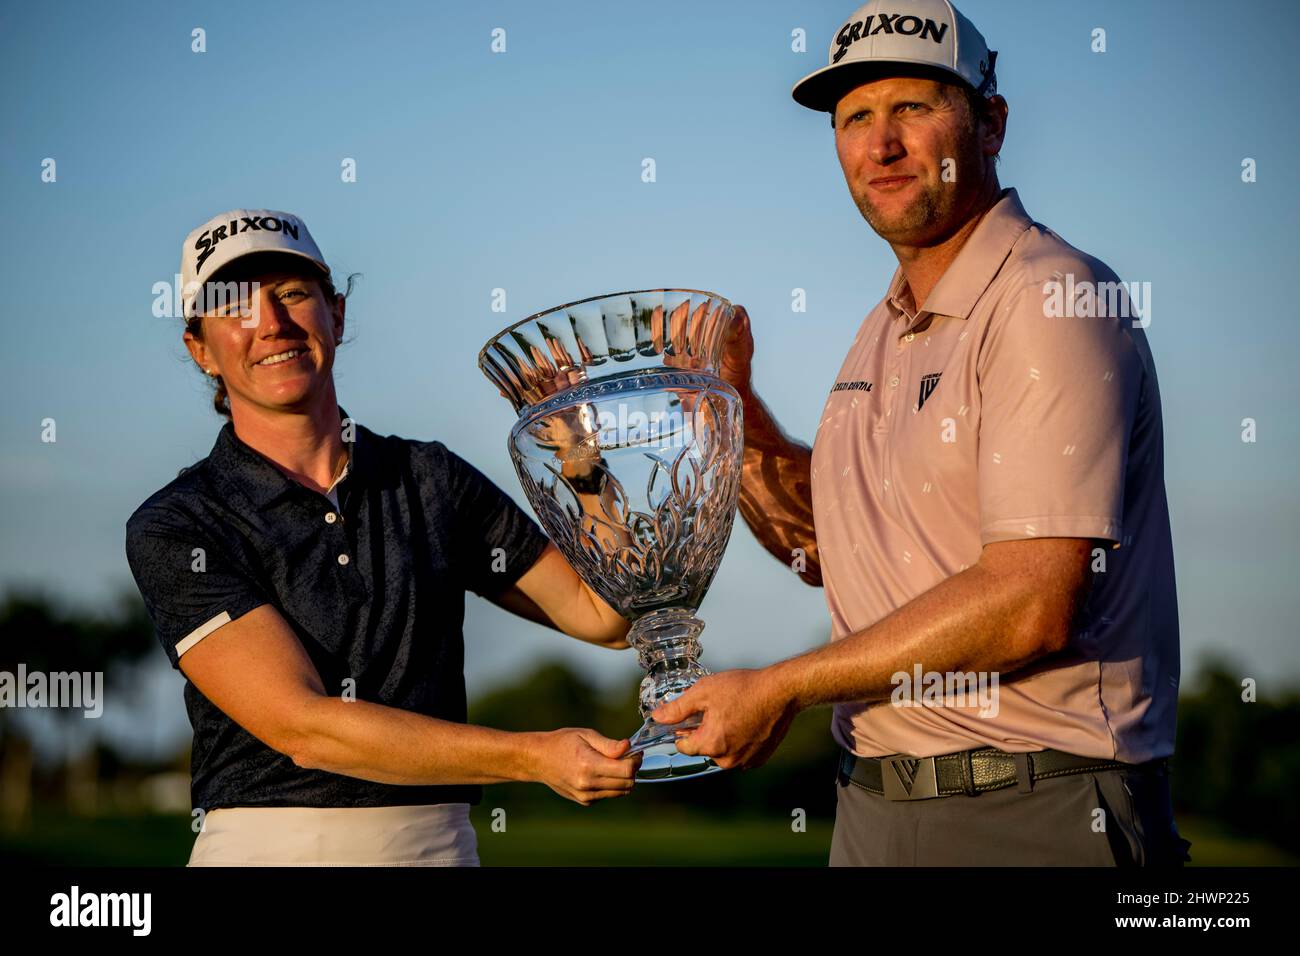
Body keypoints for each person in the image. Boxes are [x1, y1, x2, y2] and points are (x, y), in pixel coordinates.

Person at [651, 0, 1192, 866]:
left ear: (991, 123)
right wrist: (735, 412)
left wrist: (782, 687)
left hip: (1036, 804)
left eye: (912, 107)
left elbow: (1029, 603)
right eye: (855, 117)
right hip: (872, 807)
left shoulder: (1049, 298)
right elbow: (829, 552)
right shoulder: (882, 325)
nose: (881, 144)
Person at [125, 208, 639, 866]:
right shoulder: (180, 521)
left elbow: (607, 615)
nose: (272, 325)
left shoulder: (430, 477)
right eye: (236, 308)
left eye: (292, 294)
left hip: (441, 850)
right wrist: (531, 757)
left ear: (336, 313)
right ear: (200, 349)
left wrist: (579, 457)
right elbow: (305, 727)